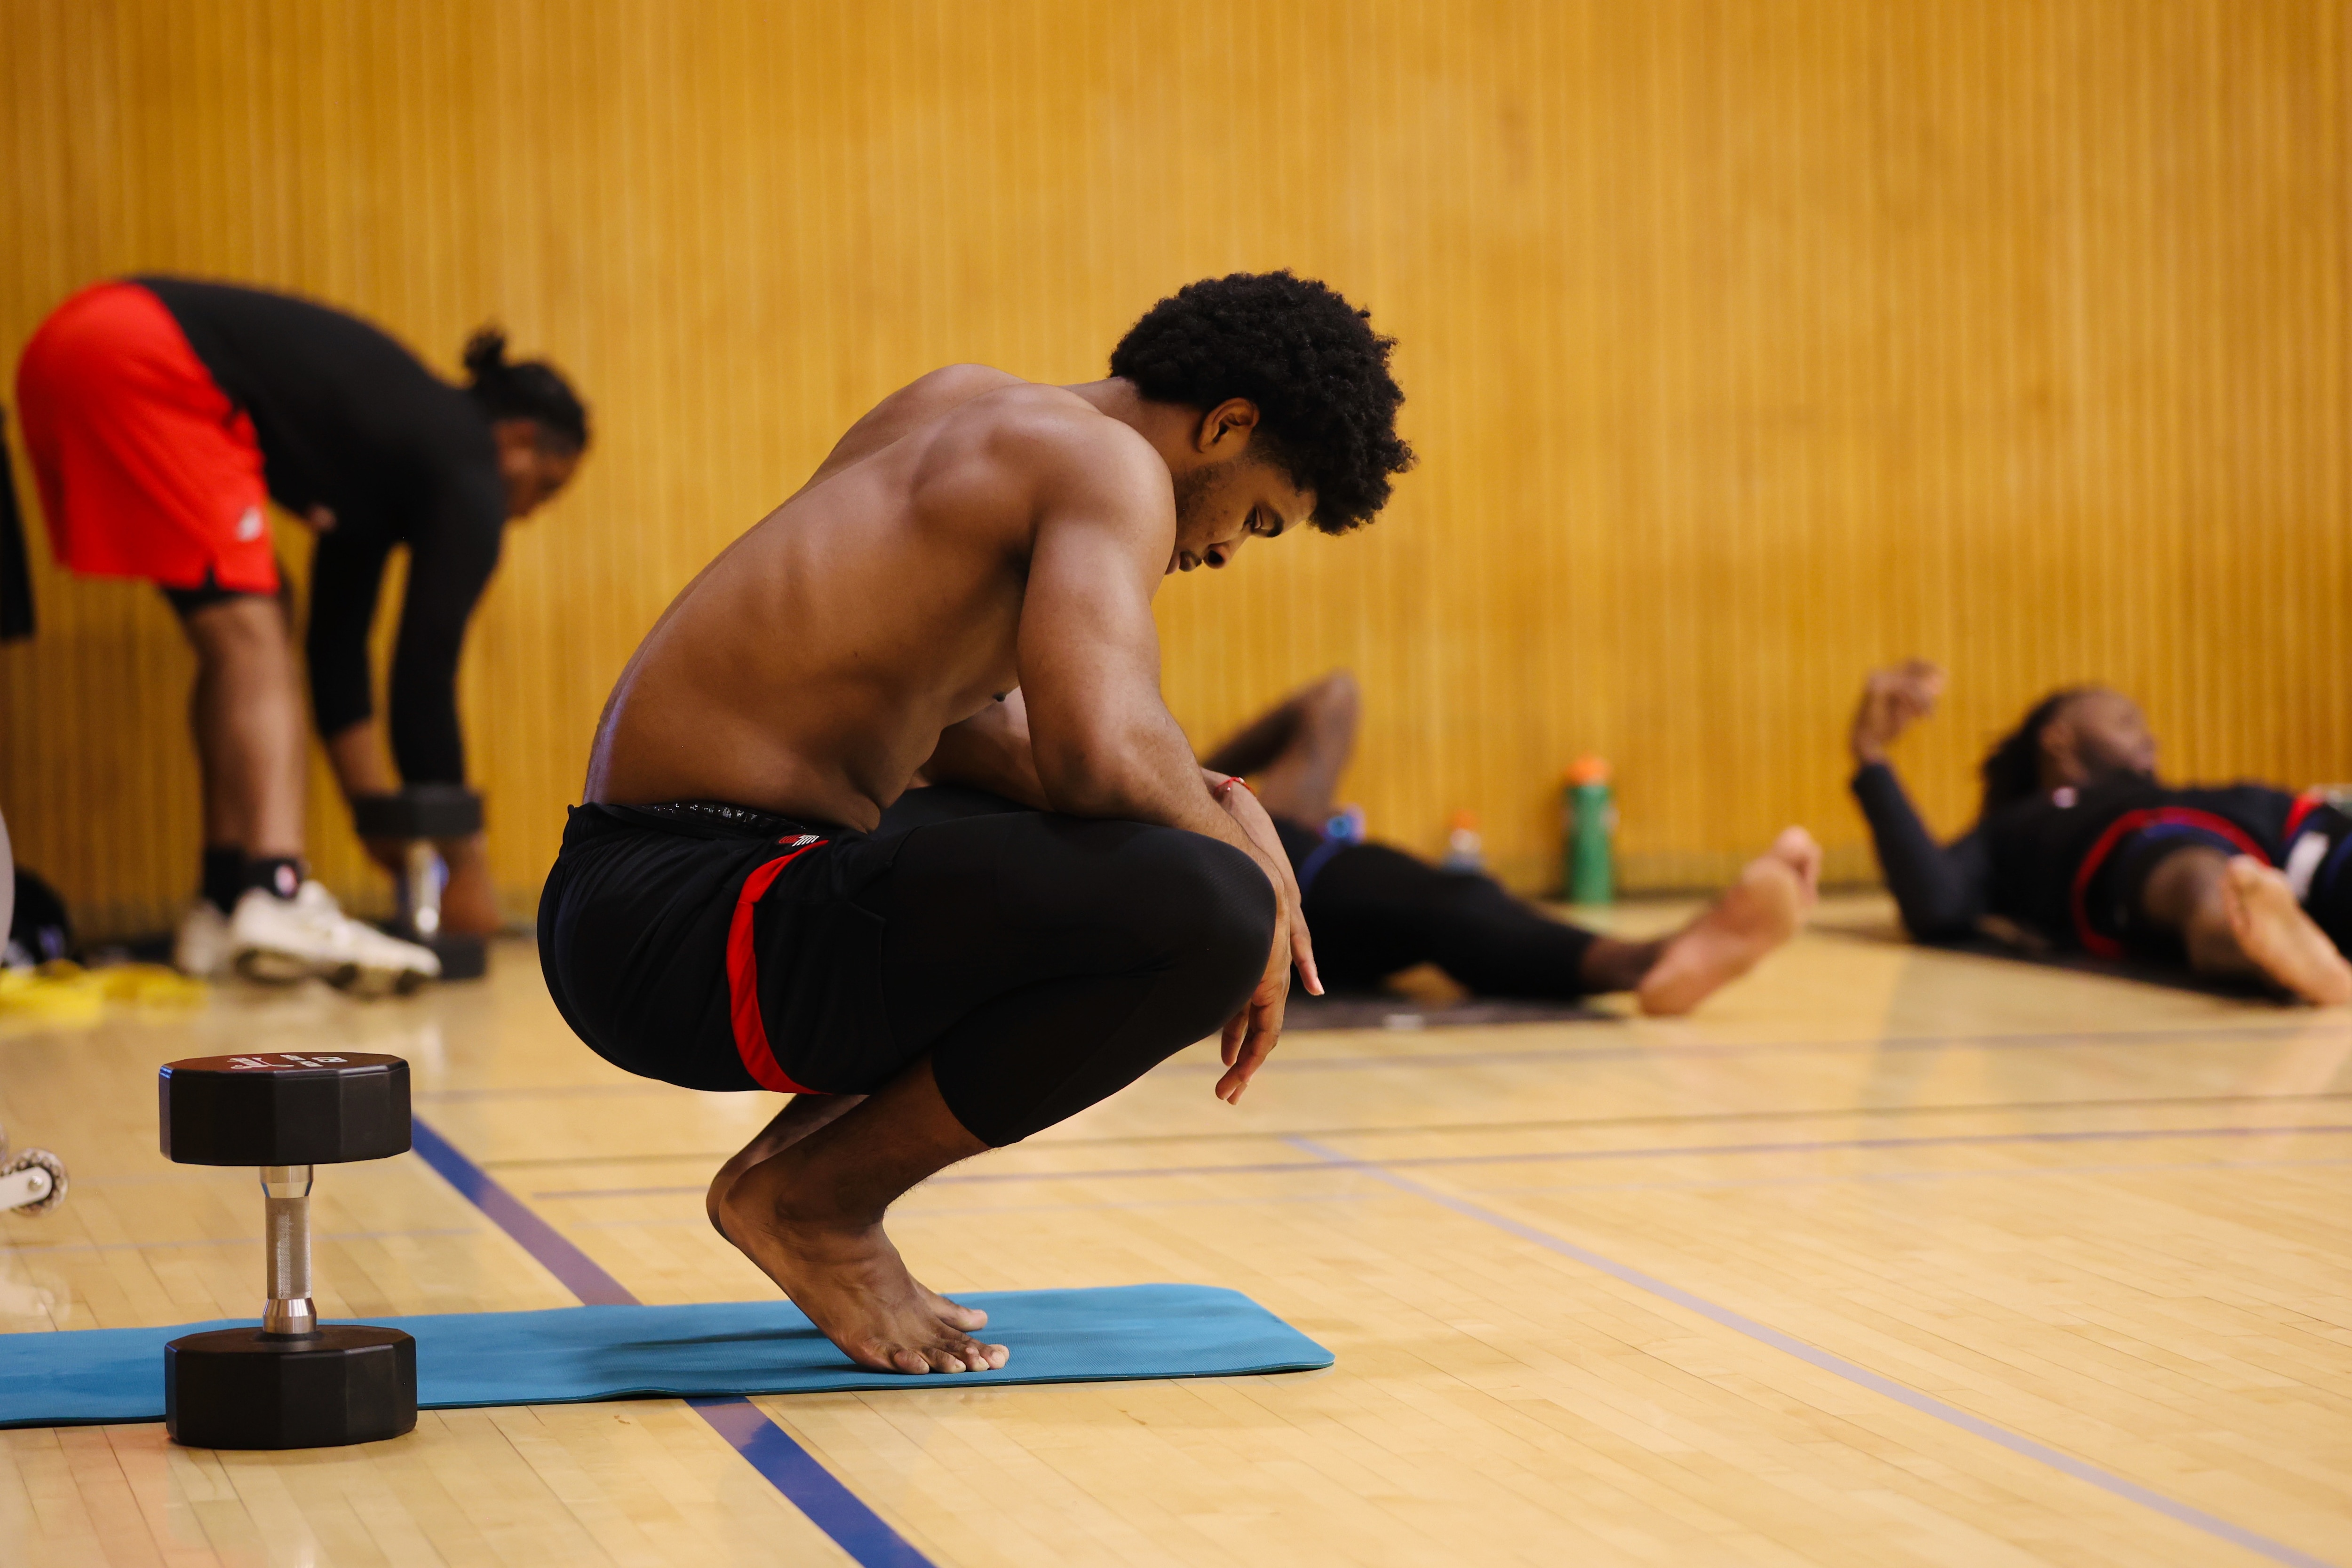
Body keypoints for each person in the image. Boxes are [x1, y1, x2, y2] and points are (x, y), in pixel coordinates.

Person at [540, 271, 1413, 1375]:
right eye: (1255, 516)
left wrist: (1220, 798)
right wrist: (1256, 870)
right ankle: (817, 1203)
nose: (1227, 553)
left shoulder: (958, 407)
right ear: (1226, 425)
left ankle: (800, 1181)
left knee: (1165, 847)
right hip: (707, 920)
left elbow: (947, 731)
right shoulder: (1112, 468)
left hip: (634, 911)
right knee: (1207, 904)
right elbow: (1096, 750)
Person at [15, 277, 588, 987]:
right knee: (253, 632)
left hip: (79, 345)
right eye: (547, 487)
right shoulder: (469, 464)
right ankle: (276, 887)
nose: (531, 511)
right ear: (519, 439)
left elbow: (335, 654)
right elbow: (424, 679)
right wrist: (461, 862)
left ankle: (225, 900)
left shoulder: (392, 454)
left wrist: (372, 819)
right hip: (146, 358)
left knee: (253, 623)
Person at [1184, 672, 1820, 1014]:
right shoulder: (1188, 829)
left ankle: (1662, 955)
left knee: (1446, 901)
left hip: (1302, 852)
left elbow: (1333, 697)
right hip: (1284, 886)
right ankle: (1652, 959)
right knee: (1448, 907)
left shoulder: (1268, 807)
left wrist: (1205, 776)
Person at [1848, 659, 2352, 1004]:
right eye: (2126, 720)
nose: (2147, 734)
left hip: (2289, 826)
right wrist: (1871, 756)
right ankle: (2273, 953)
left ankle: (2298, 940)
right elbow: (1936, 903)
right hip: (2157, 851)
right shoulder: (2019, 825)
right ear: (2058, 737)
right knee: (2203, 883)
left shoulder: (2182, 792)